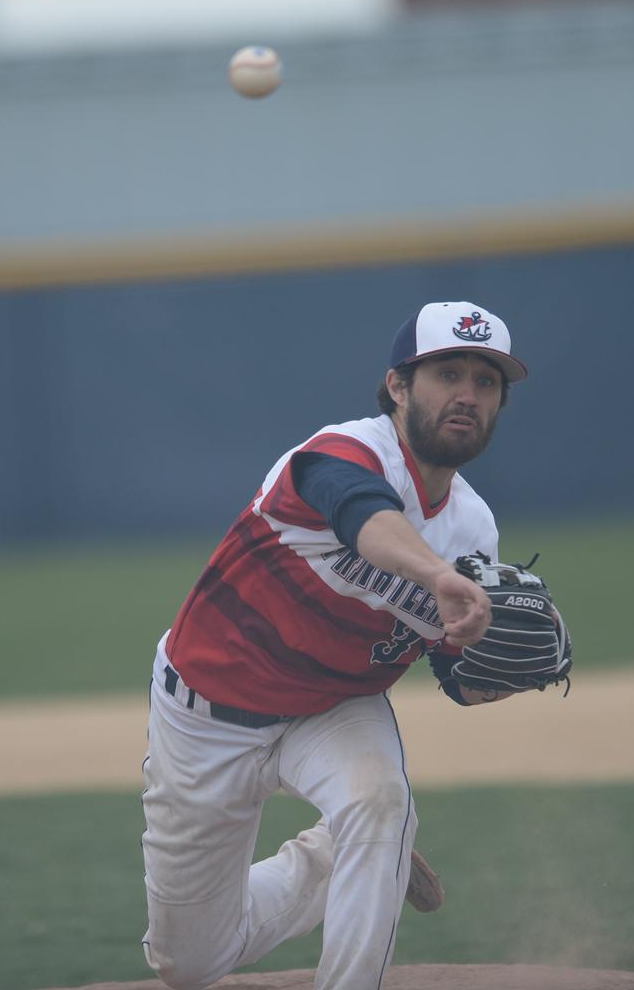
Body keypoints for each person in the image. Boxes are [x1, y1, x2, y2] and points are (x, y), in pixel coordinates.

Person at [139, 300, 533, 990]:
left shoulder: (474, 529)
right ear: (399, 386)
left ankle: (369, 857)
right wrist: (439, 575)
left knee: (380, 799)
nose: (468, 393)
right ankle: (330, 859)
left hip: (333, 707)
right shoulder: (340, 452)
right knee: (189, 963)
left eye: (486, 380)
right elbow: (362, 516)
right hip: (207, 712)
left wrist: (495, 660)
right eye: (448, 373)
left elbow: (455, 670)